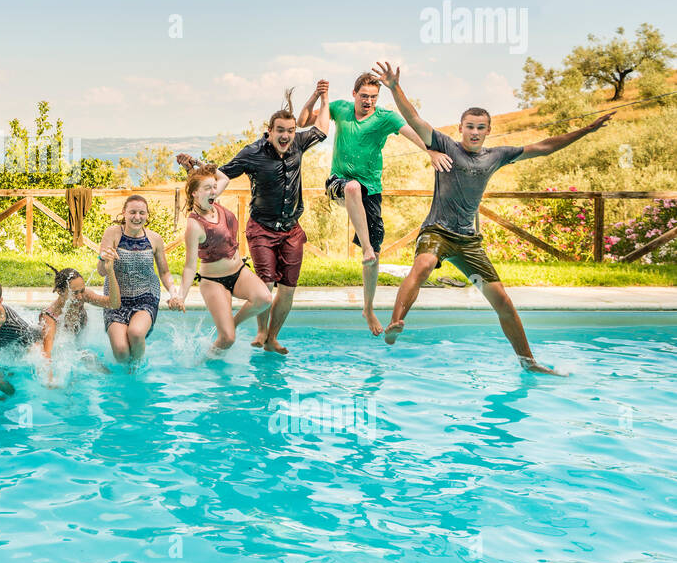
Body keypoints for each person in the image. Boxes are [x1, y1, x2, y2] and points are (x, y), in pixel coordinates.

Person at [372, 61, 614, 373]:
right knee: (424, 264)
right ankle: (395, 323)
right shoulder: (443, 144)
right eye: (469, 126)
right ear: (460, 128)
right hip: (437, 231)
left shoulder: (496, 156)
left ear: (489, 130)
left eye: (480, 127)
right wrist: (394, 88)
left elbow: (544, 148)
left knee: (503, 302)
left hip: (469, 243)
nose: (474, 131)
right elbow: (414, 118)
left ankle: (529, 363)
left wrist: (588, 130)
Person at [177, 82, 330, 354]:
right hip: (262, 228)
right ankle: (257, 332)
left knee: (288, 289)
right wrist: (209, 197)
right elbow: (222, 174)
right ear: (269, 131)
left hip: (292, 228)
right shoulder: (253, 152)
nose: (285, 136)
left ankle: (271, 337)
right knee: (266, 283)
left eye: (290, 131)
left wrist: (322, 96)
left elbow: (322, 127)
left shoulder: (298, 144)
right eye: (280, 131)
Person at [316, 71, 452, 336]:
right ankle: (365, 247)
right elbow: (306, 121)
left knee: (373, 258)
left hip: (372, 189)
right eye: (364, 96)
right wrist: (319, 98)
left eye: (373, 97)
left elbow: (412, 131)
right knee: (353, 188)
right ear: (354, 94)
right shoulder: (340, 108)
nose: (368, 101)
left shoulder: (385, 118)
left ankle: (368, 308)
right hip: (338, 182)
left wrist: (431, 151)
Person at [172, 164, 273, 354]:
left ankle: (231, 324)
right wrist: (181, 296)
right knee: (227, 340)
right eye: (207, 188)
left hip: (238, 272)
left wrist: (201, 165)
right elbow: (189, 266)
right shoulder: (194, 225)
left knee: (264, 298)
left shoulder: (212, 202)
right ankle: (205, 363)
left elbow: (224, 178)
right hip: (213, 281)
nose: (213, 191)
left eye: (213, 187)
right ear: (194, 193)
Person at [99, 195, 179, 364]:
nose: (137, 217)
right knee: (121, 352)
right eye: (132, 212)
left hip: (146, 295)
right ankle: (127, 374)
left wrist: (174, 293)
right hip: (116, 299)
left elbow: (164, 272)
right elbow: (101, 272)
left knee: (135, 333)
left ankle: (137, 371)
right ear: (124, 213)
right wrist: (103, 259)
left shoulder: (155, 239)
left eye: (142, 213)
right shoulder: (112, 233)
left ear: (147, 215)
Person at [37, 250, 120, 360]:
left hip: (75, 351)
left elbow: (114, 304)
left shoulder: (83, 295)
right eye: (75, 293)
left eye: (82, 290)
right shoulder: (50, 318)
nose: (81, 297)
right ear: (60, 292)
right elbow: (47, 355)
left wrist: (110, 272)